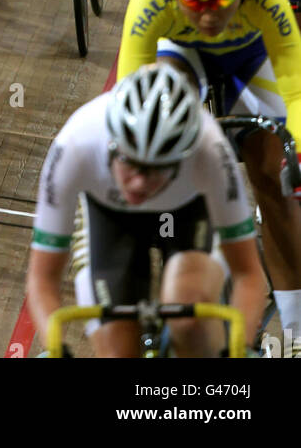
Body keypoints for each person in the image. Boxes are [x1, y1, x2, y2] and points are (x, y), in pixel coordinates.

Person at [117, 0, 301, 354]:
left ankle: (297, 329)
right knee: (162, 149)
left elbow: (295, 88)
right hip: (183, 54)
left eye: (221, 0)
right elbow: (128, 100)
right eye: (193, 0)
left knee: (272, 177)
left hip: (249, 55)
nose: (207, 14)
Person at [27, 62, 267, 358]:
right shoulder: (76, 142)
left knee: (189, 321)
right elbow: (42, 278)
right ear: (111, 144)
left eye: (157, 169)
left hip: (186, 214)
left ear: (184, 156)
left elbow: (249, 273)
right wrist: (55, 348)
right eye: (130, 162)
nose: (139, 183)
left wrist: (238, 348)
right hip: (110, 218)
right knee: (117, 351)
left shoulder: (210, 149)